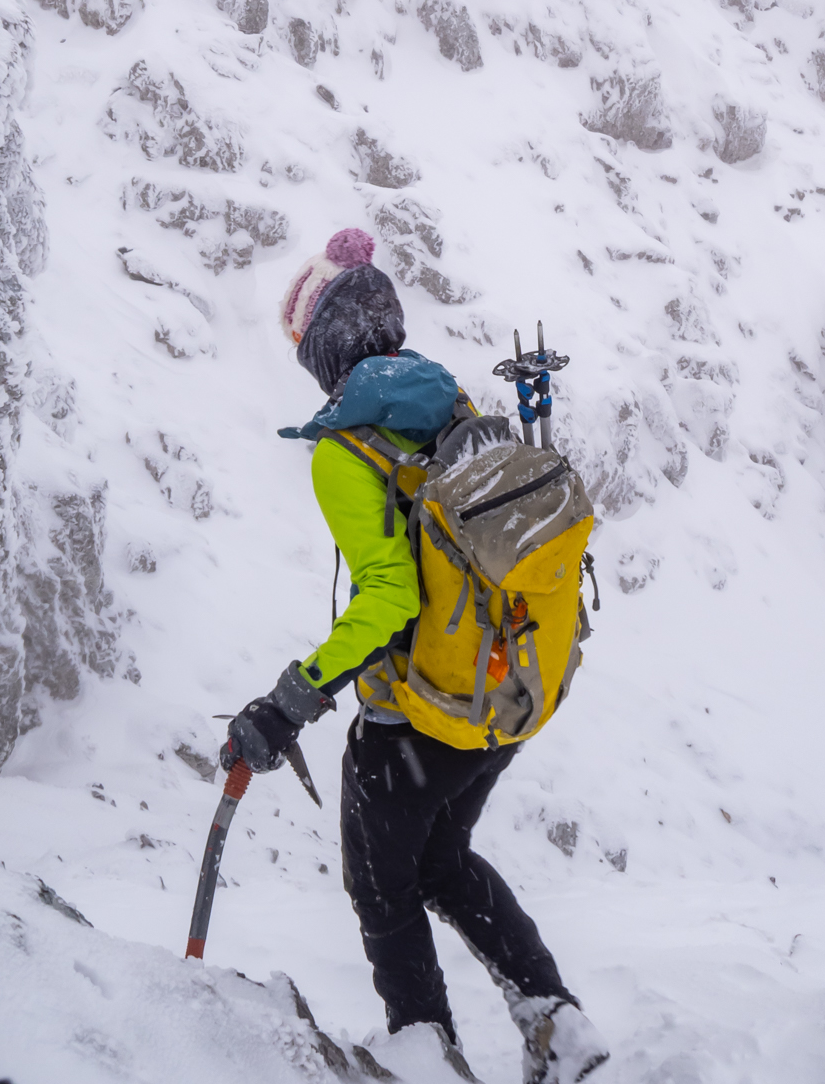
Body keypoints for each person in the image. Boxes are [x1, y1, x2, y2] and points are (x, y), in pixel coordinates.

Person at [220, 228, 609, 1084]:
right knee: (442, 863)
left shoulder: (344, 449)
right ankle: (556, 1024)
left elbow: (391, 599)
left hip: (418, 718)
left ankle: (425, 1052)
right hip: (507, 698)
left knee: (383, 889)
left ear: (321, 352)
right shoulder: (454, 404)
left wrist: (290, 701)